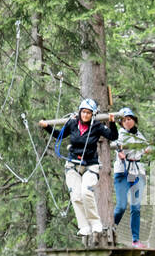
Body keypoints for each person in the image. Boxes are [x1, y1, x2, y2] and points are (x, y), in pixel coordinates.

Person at [38, 98, 116, 239]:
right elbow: (59, 135)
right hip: (73, 164)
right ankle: (84, 227)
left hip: (90, 165)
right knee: (76, 196)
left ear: (93, 114)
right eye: (84, 112)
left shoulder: (97, 126)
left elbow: (113, 136)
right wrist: (46, 127)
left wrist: (112, 122)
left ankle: (95, 223)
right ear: (80, 112)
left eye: (89, 113)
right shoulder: (73, 123)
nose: (85, 115)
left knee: (86, 192)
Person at [103, 107, 148, 248]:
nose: (127, 122)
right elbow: (113, 143)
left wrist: (147, 149)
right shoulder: (120, 134)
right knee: (122, 206)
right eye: (124, 120)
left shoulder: (139, 135)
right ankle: (111, 229)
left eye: (129, 119)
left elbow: (147, 147)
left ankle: (136, 240)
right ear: (121, 123)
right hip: (123, 172)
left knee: (136, 207)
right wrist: (119, 151)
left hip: (138, 172)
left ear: (134, 120)